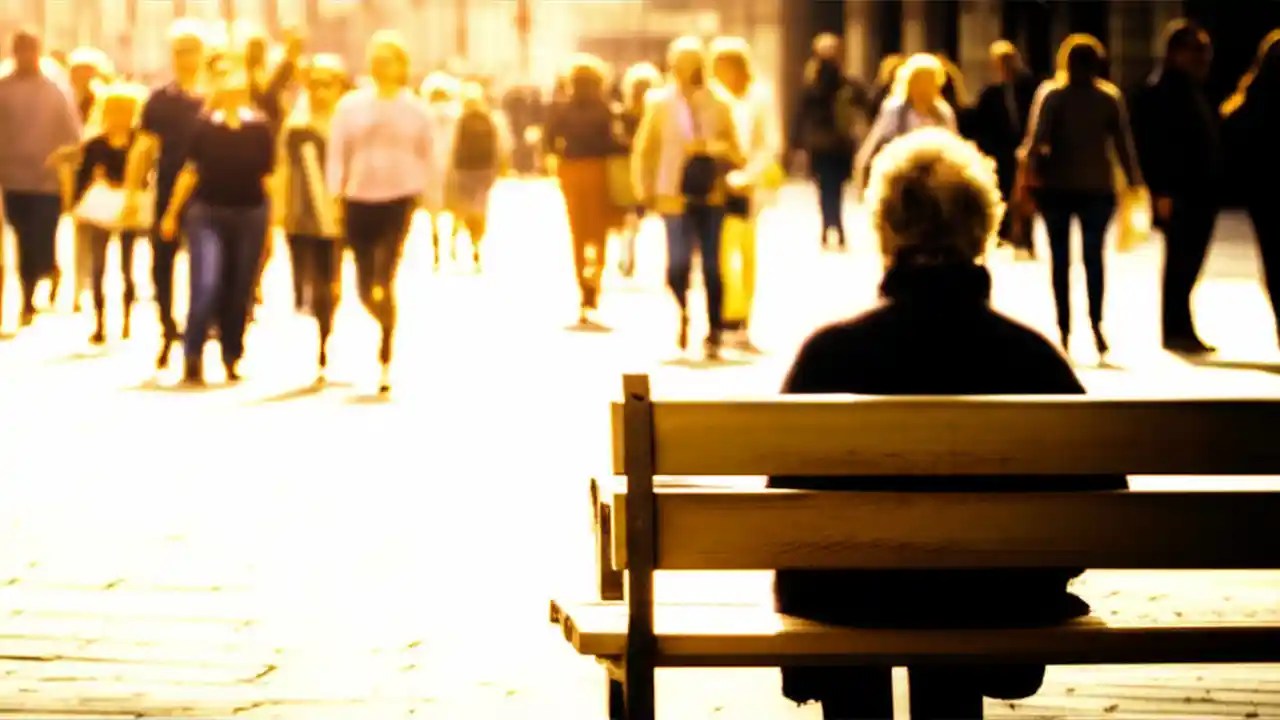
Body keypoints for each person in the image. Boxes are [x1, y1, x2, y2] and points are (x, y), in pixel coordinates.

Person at [771, 127, 1127, 720]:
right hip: (989, 605)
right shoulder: (1029, 357)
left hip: (848, 607)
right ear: (981, 228)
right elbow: (1104, 505)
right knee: (961, 597)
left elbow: (781, 512)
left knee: (844, 592)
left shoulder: (828, 355)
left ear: (886, 229)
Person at [327, 30, 435, 394]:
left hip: (398, 197)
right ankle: (381, 318)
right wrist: (335, 191)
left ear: (401, 65)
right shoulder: (351, 106)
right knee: (363, 285)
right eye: (375, 60)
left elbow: (428, 154)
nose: (380, 67)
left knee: (383, 275)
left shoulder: (415, 110)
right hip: (358, 197)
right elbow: (338, 150)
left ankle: (386, 350)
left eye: (387, 60)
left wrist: (429, 196)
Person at [1022, 34, 1143, 357]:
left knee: (1060, 261)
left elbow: (1037, 141)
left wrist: (1030, 176)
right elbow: (1124, 145)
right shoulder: (1108, 98)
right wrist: (1135, 183)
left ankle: (1064, 329)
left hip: (1057, 188)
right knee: (1094, 259)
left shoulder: (1053, 96)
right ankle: (1096, 326)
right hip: (1096, 189)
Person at [158, 56, 274, 386]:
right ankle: (192, 354)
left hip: (250, 212)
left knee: (240, 286)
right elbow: (190, 171)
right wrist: (171, 213)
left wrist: (272, 225)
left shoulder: (259, 128)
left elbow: (269, 179)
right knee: (206, 281)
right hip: (208, 212)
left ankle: (231, 354)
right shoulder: (204, 126)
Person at [632, 35, 743, 359]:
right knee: (677, 266)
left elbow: (737, 152)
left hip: (710, 194)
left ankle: (714, 330)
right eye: (680, 65)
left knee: (712, 266)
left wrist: (709, 147)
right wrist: (644, 187)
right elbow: (645, 148)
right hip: (672, 194)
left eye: (692, 65)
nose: (686, 72)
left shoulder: (720, 102)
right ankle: (683, 312)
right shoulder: (660, 103)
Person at [1131, 21, 1220, 355]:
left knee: (1189, 261)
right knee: (1180, 262)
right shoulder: (1162, 91)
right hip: (1181, 191)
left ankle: (1182, 326)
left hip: (1197, 190)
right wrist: (1161, 191)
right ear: (1177, 52)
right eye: (1197, 50)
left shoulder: (1191, 88)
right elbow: (1153, 146)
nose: (1204, 57)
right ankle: (1175, 329)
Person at [124, 19, 208, 371]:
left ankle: (197, 331)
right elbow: (144, 147)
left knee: (205, 267)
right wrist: (131, 192)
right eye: (180, 51)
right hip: (167, 189)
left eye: (192, 50)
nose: (186, 58)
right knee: (162, 265)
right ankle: (167, 328)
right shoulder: (159, 100)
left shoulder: (213, 97)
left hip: (210, 193)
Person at [0, 29, 82, 329]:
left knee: (42, 238)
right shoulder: (4, 87)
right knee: (22, 239)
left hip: (47, 180)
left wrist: (65, 159)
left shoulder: (55, 88)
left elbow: (73, 132)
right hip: (12, 178)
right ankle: (27, 297)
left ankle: (46, 271)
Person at [278, 54, 347, 379]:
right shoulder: (297, 128)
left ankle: (325, 340)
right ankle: (316, 319)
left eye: (327, 84)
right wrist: (280, 210)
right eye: (314, 84)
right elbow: (283, 170)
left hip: (337, 217)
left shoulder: (347, 125)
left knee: (328, 283)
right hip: (302, 216)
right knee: (309, 280)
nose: (320, 91)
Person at [710, 36, 782, 352]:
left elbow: (769, 142)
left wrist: (747, 175)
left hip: (748, 186)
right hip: (716, 184)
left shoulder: (759, 97)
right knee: (721, 253)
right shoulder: (710, 97)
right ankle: (727, 316)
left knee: (745, 252)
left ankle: (742, 320)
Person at [543, 54, 625, 325]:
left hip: (571, 171)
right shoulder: (605, 109)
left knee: (577, 230)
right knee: (598, 230)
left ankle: (583, 285)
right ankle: (595, 280)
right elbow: (613, 142)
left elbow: (549, 141)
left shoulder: (561, 109)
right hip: (598, 171)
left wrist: (561, 155)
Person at [73, 82, 146, 344]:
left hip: (128, 209)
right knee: (98, 267)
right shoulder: (95, 145)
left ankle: (126, 320)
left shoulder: (140, 143)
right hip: (100, 210)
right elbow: (82, 177)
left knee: (128, 267)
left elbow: (146, 175)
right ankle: (100, 322)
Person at [1221, 29, 1280, 350]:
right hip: (1266, 194)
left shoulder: (1251, 100)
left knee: (1274, 265)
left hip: (1264, 197)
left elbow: (1234, 140)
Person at [792, 34, 868, 250]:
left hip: (822, 144)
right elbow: (865, 103)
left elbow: (801, 115)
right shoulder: (846, 83)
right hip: (839, 143)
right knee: (835, 187)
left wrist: (796, 144)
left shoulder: (813, 84)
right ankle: (835, 226)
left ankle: (829, 226)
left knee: (825, 188)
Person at [853, 52, 957, 196]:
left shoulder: (943, 112)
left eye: (930, 80)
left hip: (935, 176)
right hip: (902, 173)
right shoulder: (896, 109)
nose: (925, 86)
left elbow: (953, 142)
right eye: (921, 80)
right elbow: (881, 139)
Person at [972, 40, 1039, 258]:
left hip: (1024, 151)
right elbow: (980, 124)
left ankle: (1025, 239)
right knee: (1001, 191)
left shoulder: (1028, 90)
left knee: (1025, 196)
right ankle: (1003, 234)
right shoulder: (990, 93)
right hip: (1000, 153)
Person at [448, 81, 508, 272]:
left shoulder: (460, 120)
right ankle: (476, 242)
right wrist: (499, 166)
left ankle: (458, 238)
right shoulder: (488, 120)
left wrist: (451, 168)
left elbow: (453, 146)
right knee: (480, 206)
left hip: (464, 169)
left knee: (463, 206)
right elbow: (499, 145)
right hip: (484, 169)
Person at [615, 62, 662, 278]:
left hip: (629, 170)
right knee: (636, 215)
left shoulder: (624, 115)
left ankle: (628, 250)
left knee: (631, 215)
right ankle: (629, 250)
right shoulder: (656, 115)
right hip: (645, 171)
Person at [420, 71, 462, 269]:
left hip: (431, 168)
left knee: (433, 214)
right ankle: (452, 243)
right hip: (454, 165)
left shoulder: (423, 114)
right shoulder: (457, 115)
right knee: (457, 209)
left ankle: (436, 248)